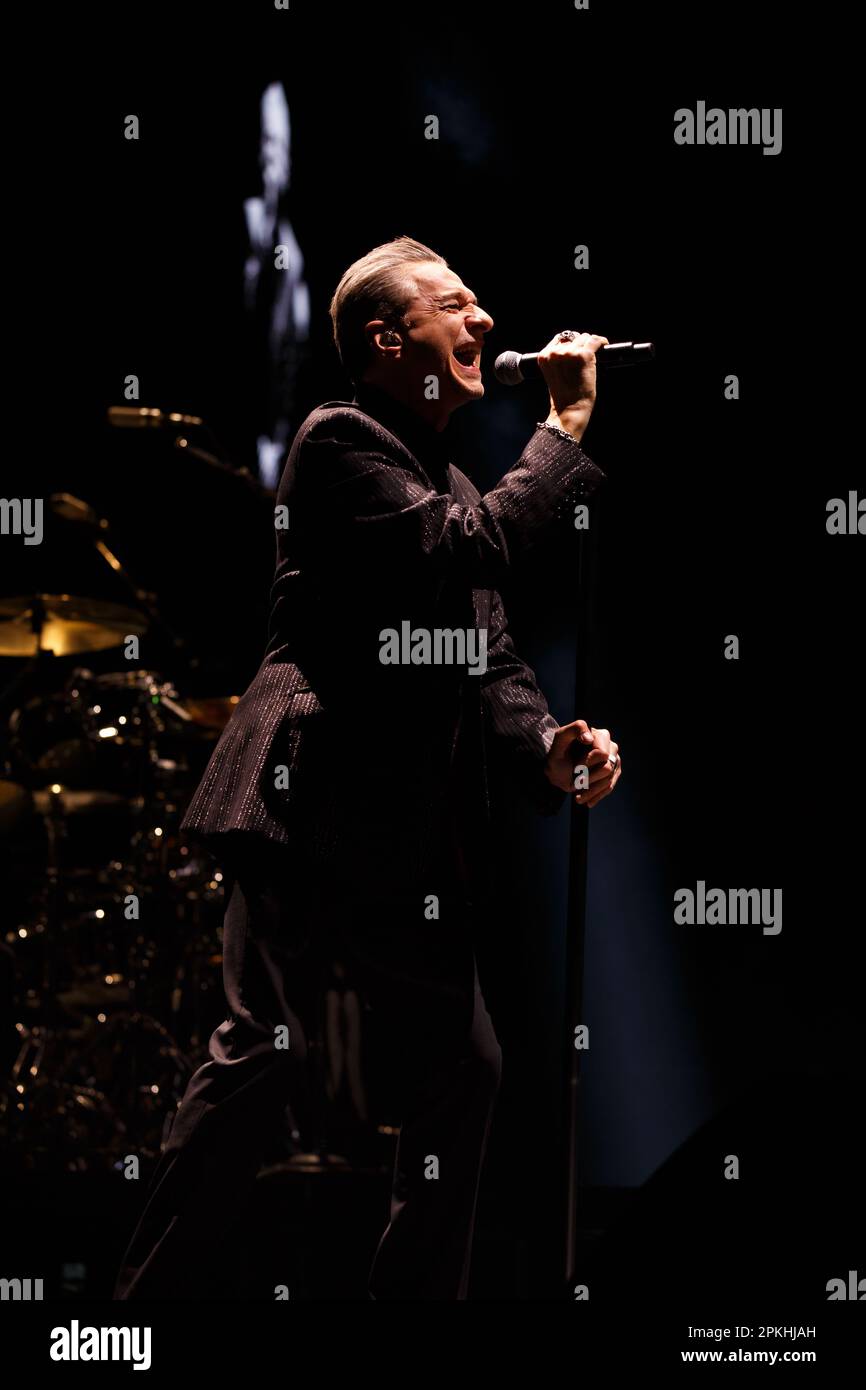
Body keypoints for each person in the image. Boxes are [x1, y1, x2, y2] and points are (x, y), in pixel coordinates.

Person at [114, 235, 622, 1301]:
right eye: (456, 304)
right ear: (390, 339)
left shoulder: (440, 473)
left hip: (389, 828)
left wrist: (549, 747)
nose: (484, 322)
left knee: (462, 1068)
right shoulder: (338, 441)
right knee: (263, 1059)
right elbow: (461, 554)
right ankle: (145, 1311)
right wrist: (564, 429)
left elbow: (481, 654)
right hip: (305, 800)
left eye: (480, 303)